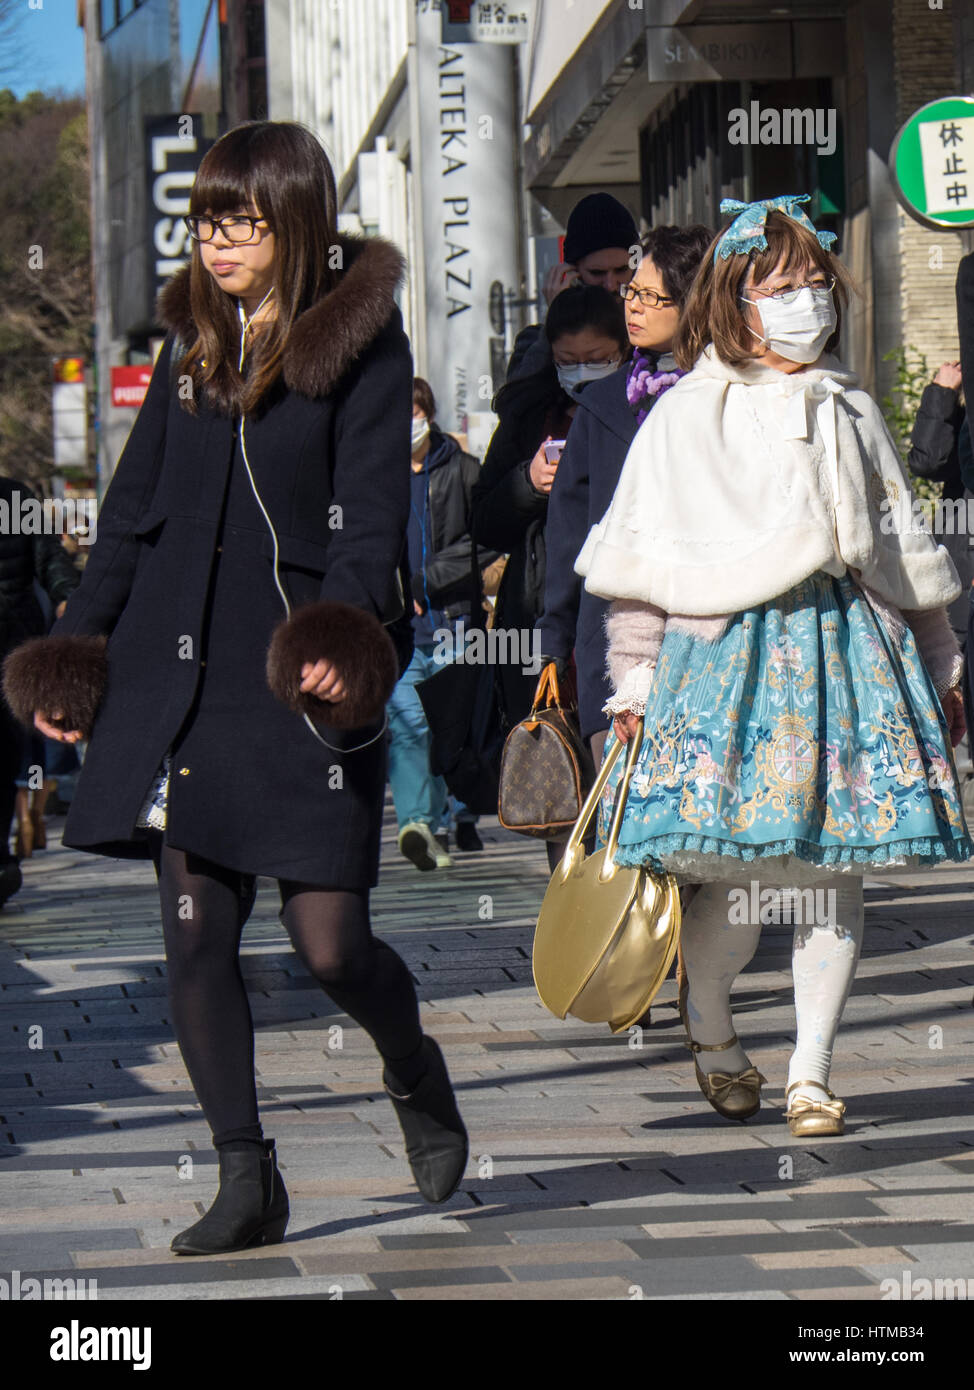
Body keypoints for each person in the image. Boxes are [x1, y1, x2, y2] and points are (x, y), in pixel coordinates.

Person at [2, 121, 468, 1252]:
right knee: (194, 933)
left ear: (292, 221)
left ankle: (411, 1065)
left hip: (296, 676)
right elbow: (131, 514)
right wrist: (79, 649)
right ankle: (246, 1175)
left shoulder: (359, 342)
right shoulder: (193, 346)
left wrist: (342, 630)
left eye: (241, 221)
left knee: (329, 945)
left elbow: (368, 508)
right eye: (206, 220)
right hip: (181, 677)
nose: (217, 242)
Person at [576, 195, 972, 1137]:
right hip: (726, 671)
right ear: (734, 302)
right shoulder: (684, 418)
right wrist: (632, 681)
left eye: (816, 286)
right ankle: (712, 1031)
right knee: (741, 885)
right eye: (783, 287)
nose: (808, 305)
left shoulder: (851, 407)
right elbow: (643, 565)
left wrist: (944, 667)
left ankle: (811, 1073)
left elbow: (903, 555)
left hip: (849, 660)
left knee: (834, 876)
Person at [538, 223, 713, 768]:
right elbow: (568, 534)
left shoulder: (735, 397)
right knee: (621, 823)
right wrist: (552, 643)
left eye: (649, 296)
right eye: (630, 292)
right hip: (612, 649)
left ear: (697, 303)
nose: (631, 307)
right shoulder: (604, 405)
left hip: (712, 645)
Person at [472, 284, 630, 741]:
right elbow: (482, 520)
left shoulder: (643, 404)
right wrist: (528, 483)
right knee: (553, 764)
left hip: (620, 616)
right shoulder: (527, 415)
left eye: (596, 357)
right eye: (567, 360)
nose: (582, 371)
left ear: (622, 351)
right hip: (543, 616)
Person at [388, 377, 498, 869]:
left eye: (413, 413)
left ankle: (460, 814)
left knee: (450, 728)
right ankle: (418, 826)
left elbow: (489, 539)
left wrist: (424, 581)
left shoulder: (464, 471)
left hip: (455, 622)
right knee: (409, 727)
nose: (406, 424)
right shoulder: (378, 478)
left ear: (428, 415)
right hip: (403, 633)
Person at [0, 476, 79, 900]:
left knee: (9, 756)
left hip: (11, 652)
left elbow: (50, 560)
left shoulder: (14, 498)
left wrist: (70, 597)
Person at [506, 192, 638, 382]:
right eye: (597, 273)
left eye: (621, 270)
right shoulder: (534, 342)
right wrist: (556, 320)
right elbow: (518, 400)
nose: (610, 285)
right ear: (570, 273)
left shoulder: (650, 333)